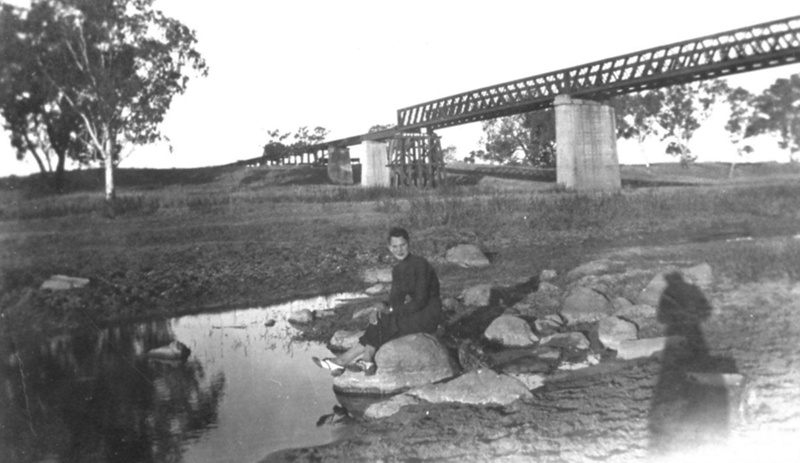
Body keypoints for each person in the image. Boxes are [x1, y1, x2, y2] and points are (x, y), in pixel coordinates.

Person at [313, 227, 441, 376]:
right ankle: (362, 360)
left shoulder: (420, 265)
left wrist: (390, 311)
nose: (399, 250)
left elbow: (420, 301)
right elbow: (395, 299)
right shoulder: (398, 269)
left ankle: (345, 361)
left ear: (409, 244)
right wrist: (378, 309)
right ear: (389, 248)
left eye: (403, 245)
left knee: (386, 319)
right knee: (381, 318)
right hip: (415, 313)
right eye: (395, 246)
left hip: (428, 315)